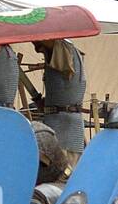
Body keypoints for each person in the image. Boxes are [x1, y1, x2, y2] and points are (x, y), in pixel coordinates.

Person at [33, 38, 86, 167]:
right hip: (65, 124)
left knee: (61, 179)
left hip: (63, 129)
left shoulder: (62, 48)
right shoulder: (70, 49)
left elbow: (43, 37)